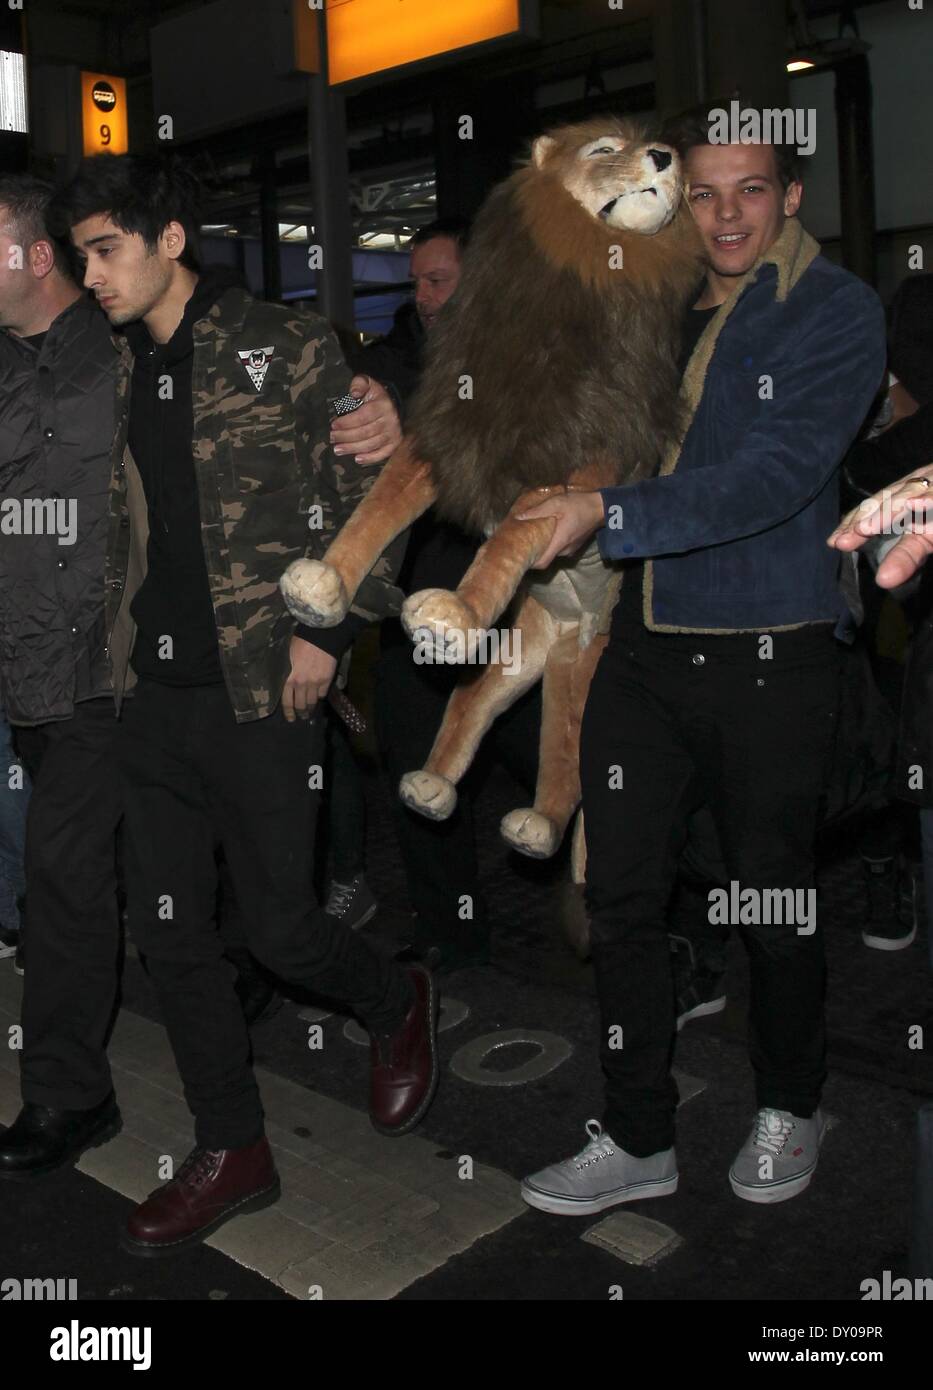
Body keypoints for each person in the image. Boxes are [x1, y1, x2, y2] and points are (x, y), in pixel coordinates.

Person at [43, 153, 438, 1255]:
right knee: (171, 936)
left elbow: (385, 488)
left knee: (282, 930)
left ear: (172, 240)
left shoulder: (285, 345)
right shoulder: (111, 367)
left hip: (266, 680)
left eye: (107, 249)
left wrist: (331, 627)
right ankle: (234, 1144)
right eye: (79, 255)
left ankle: (390, 996)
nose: (93, 274)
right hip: (147, 692)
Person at [515, 109, 886, 1213]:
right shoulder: (659, 302)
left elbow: (770, 478)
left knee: (770, 901)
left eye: (752, 191)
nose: (726, 214)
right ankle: (637, 1133)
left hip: (771, 653)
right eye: (707, 193)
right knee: (622, 903)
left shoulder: (833, 310)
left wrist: (605, 512)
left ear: (792, 198)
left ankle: (790, 1101)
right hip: (647, 649)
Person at [359, 218, 544, 971]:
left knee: (552, 764)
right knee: (420, 772)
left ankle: (615, 918)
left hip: (518, 609)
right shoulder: (391, 362)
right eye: (416, 281)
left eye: (440, 280)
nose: (425, 296)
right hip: (417, 612)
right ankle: (447, 930)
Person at [0, 175, 126, 1177]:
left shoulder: (128, 346)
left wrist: (365, 405)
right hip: (22, 666)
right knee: (100, 866)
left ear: (36, 256)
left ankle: (68, 1094)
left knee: (64, 875)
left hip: (110, 663)